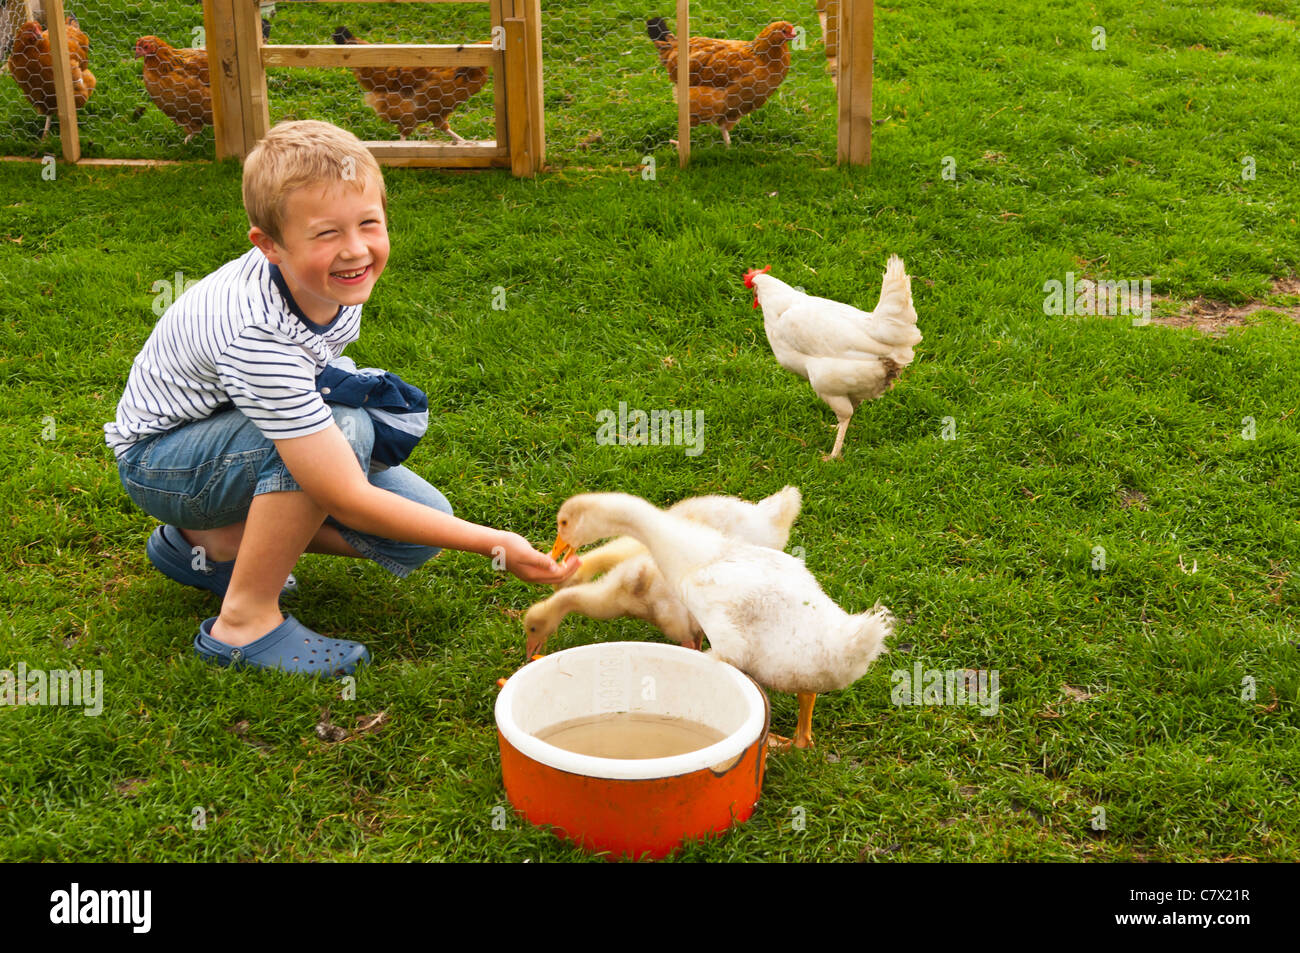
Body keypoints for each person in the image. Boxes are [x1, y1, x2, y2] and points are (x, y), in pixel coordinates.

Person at [104, 120, 577, 675]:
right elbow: (347, 496)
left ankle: (212, 543)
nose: (355, 250)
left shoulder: (329, 281)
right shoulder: (255, 331)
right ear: (270, 245)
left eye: (368, 223)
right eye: (326, 233)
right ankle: (243, 622)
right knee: (346, 428)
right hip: (161, 464)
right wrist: (496, 543)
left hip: (230, 440)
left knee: (418, 531)